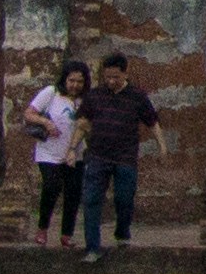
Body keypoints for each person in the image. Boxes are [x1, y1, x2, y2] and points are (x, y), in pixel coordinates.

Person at [72, 56, 160, 261]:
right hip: (98, 155)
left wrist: (161, 145)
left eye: (115, 77)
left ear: (125, 73)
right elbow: (82, 123)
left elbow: (153, 122)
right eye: (108, 77)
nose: (111, 81)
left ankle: (122, 231)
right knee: (91, 199)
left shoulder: (137, 97)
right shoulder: (94, 96)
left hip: (125, 157)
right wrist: (71, 148)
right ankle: (92, 247)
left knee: (124, 198)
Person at [23, 63, 85, 247]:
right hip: (49, 153)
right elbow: (29, 113)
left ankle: (67, 234)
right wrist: (46, 123)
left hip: (75, 153)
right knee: (51, 186)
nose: (74, 85)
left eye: (79, 82)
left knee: (73, 192)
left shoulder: (85, 100)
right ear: (64, 80)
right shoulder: (51, 93)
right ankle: (42, 227)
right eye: (71, 81)